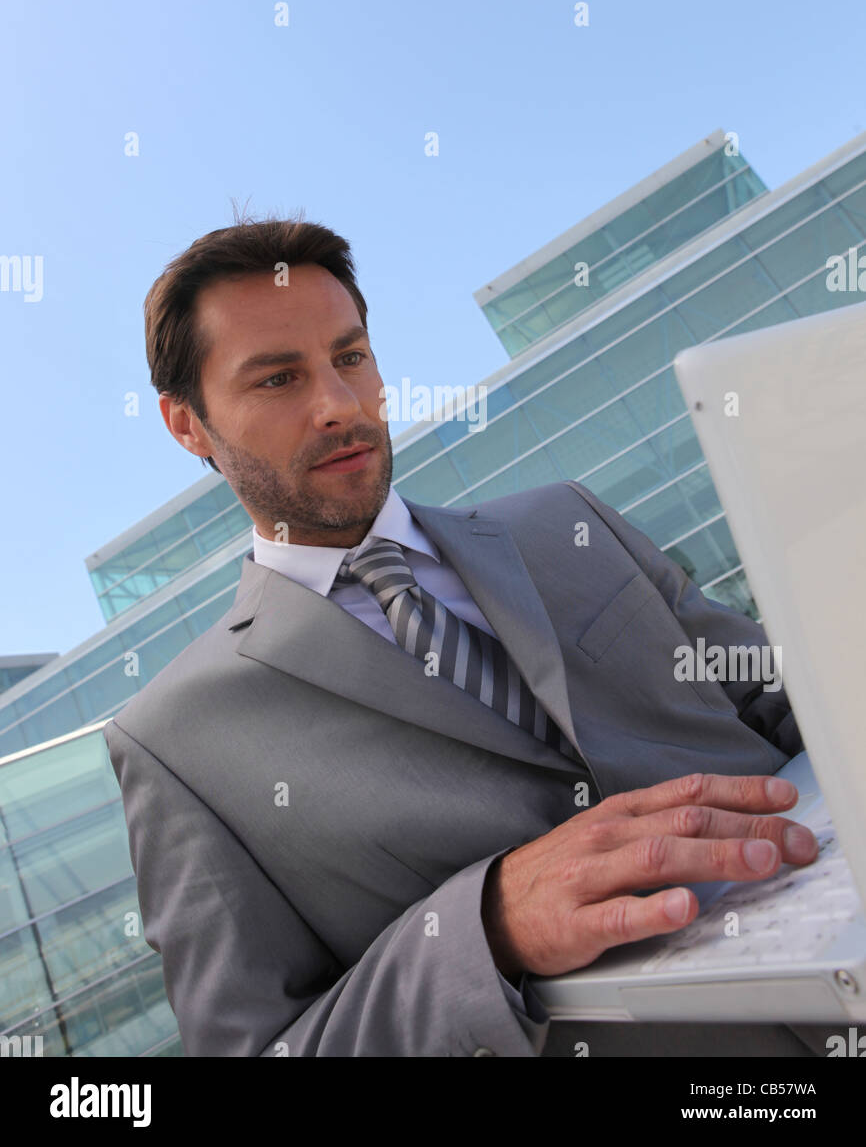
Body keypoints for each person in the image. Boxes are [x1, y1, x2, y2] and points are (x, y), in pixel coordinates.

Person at [104, 211, 833, 1057]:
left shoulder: (569, 520)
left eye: (349, 358)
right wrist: (486, 928)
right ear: (186, 423)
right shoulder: (174, 746)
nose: (338, 406)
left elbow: (786, 702)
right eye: (277, 380)